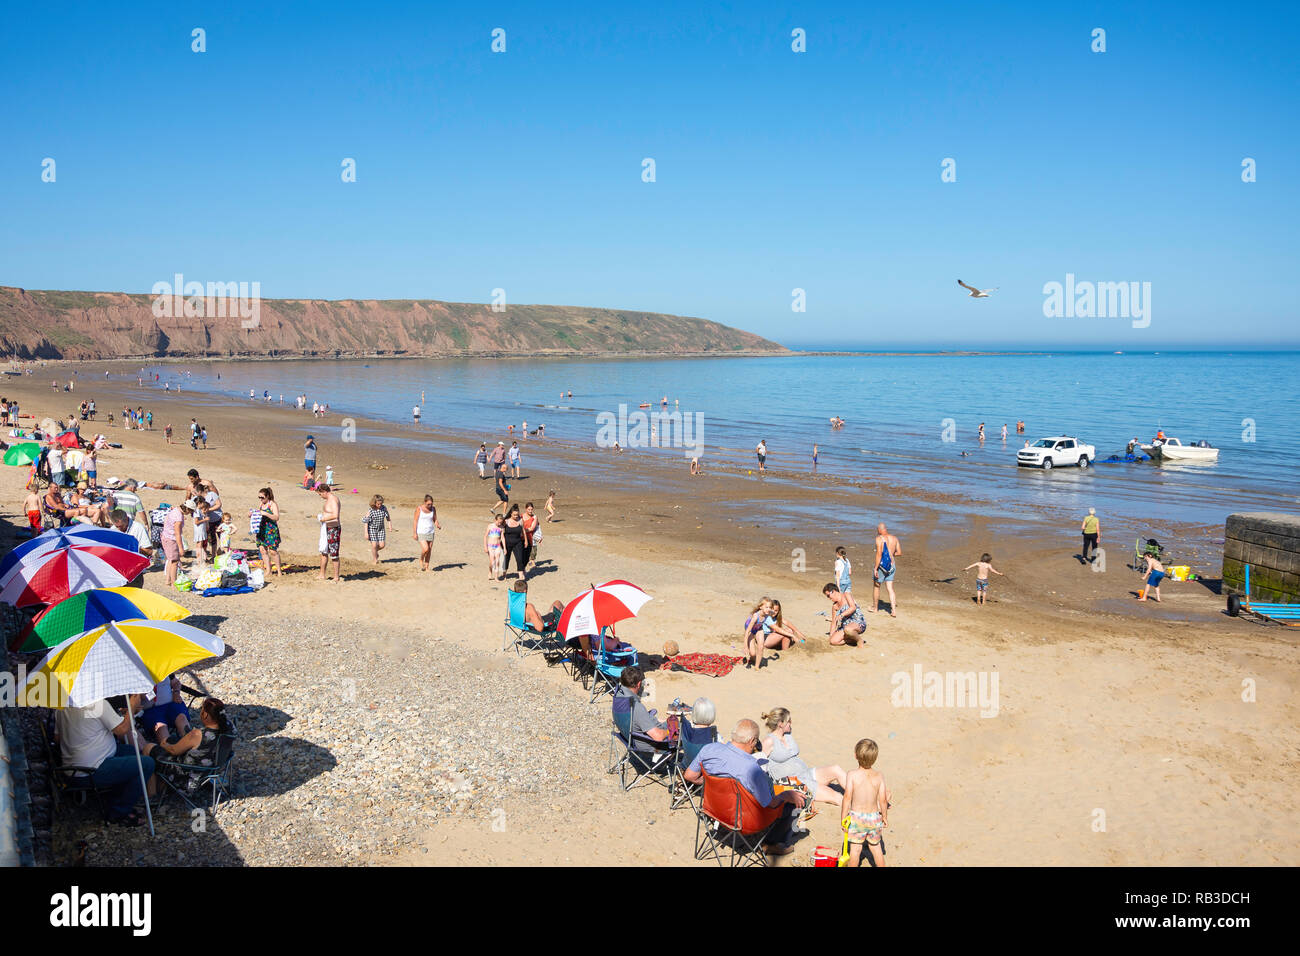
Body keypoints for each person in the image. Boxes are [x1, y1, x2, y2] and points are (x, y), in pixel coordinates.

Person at [681, 719, 806, 857]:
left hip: (712, 810)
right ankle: (772, 844)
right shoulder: (752, 769)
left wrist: (713, 783)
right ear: (752, 741)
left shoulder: (709, 749)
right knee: (793, 802)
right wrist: (786, 795)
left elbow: (689, 776)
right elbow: (770, 803)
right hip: (744, 822)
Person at [55, 696, 156, 826]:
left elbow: (57, 738)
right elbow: (122, 730)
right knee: (146, 764)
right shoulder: (98, 704)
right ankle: (119, 812)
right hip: (91, 770)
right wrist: (131, 707)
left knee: (133, 752)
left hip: (72, 768)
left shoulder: (61, 705)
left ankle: (117, 798)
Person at [760, 708, 848, 811]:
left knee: (835, 769)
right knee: (836, 796)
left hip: (806, 773)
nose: (791, 723)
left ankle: (862, 796)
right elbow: (759, 767)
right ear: (780, 724)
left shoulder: (787, 735)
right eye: (789, 721)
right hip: (794, 783)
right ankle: (860, 812)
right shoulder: (768, 741)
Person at [153, 697, 232, 793]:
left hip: (187, 779)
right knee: (174, 739)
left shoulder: (198, 734)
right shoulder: (229, 727)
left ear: (205, 715)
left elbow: (174, 751)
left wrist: (164, 744)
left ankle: (152, 795)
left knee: (150, 748)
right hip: (210, 770)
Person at [841, 738, 890, 867]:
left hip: (857, 818)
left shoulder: (852, 775)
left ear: (855, 755)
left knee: (855, 851)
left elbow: (847, 797)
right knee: (876, 848)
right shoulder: (879, 776)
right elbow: (883, 800)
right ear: (875, 758)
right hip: (874, 818)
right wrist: (884, 816)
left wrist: (843, 817)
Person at [612, 666, 669, 754]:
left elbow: (639, 720)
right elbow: (658, 737)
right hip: (649, 744)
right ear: (638, 684)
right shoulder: (636, 707)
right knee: (685, 730)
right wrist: (672, 730)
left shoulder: (618, 697)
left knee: (669, 721)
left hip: (630, 736)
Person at [140, 674, 191, 745]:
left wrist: (176, 693)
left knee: (181, 718)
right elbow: (135, 696)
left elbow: (176, 682)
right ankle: (169, 750)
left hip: (171, 704)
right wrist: (148, 693)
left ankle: (190, 745)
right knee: (161, 728)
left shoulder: (163, 668)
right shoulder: (138, 672)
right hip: (152, 709)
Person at [872, 523, 901, 617]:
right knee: (890, 588)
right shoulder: (895, 538)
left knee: (877, 586)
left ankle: (875, 608)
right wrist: (890, 555)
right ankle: (893, 610)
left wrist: (876, 568)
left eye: (877, 529)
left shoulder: (879, 539)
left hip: (882, 566)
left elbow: (879, 554)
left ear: (880, 529)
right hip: (892, 565)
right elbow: (899, 553)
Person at [111, 509, 154, 573]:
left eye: (121, 526)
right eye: (117, 526)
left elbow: (149, 551)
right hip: (118, 570)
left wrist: (130, 549)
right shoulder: (113, 530)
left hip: (136, 570)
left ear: (126, 519)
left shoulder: (138, 528)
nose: (119, 529)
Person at [315, 481, 342, 582]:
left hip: (333, 528)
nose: (320, 496)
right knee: (324, 551)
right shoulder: (329, 499)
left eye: (320, 494)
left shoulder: (333, 500)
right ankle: (322, 574)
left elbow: (335, 515)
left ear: (324, 491)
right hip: (326, 528)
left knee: (334, 554)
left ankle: (336, 576)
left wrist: (323, 519)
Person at [255, 487, 283, 577]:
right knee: (262, 550)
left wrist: (266, 514)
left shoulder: (272, 504)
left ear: (267, 496)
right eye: (259, 497)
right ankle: (268, 570)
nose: (260, 499)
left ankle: (279, 571)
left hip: (270, 530)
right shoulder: (261, 504)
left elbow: (276, 517)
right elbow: (258, 514)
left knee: (273, 551)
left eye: (262, 497)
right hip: (262, 529)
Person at [161, 502, 190, 587]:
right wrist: (181, 548)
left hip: (165, 536)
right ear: (187, 509)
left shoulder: (175, 510)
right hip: (171, 539)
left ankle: (168, 580)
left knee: (170, 560)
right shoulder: (178, 517)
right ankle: (174, 583)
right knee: (175, 561)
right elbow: (177, 534)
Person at [413, 495, 441, 571]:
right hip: (421, 531)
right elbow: (415, 521)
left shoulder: (433, 509)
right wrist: (415, 533)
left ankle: (426, 567)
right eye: (428, 504)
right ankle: (421, 559)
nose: (430, 505)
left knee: (429, 550)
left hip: (430, 531)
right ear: (424, 502)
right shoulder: (419, 509)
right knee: (425, 549)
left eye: (431, 504)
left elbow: (435, 519)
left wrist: (437, 524)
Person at [362, 494, 392, 565]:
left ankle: (374, 551)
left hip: (381, 529)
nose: (380, 505)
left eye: (381, 504)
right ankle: (375, 559)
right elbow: (366, 522)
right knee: (374, 545)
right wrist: (366, 533)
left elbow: (388, 517)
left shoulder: (384, 508)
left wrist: (390, 525)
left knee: (382, 545)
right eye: (378, 504)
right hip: (372, 529)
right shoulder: (371, 511)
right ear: (374, 503)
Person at [501, 504, 527, 581]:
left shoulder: (520, 521)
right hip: (507, 542)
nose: (516, 516)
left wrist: (526, 540)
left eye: (517, 515)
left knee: (519, 559)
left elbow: (523, 531)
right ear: (511, 514)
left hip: (518, 542)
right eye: (514, 515)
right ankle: (504, 574)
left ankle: (521, 576)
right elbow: (501, 532)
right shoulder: (506, 521)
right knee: (506, 559)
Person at [483, 513, 505, 580]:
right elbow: (485, 536)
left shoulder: (501, 528)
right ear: (495, 520)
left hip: (498, 546)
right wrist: (485, 547)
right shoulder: (490, 526)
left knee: (497, 562)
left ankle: (496, 577)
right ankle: (490, 571)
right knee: (492, 562)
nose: (499, 524)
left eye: (501, 522)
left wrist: (505, 548)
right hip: (490, 546)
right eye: (498, 522)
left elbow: (502, 538)